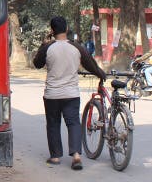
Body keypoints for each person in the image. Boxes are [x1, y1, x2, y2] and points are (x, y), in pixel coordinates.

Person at [33, 16, 106, 170]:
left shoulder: (48, 48)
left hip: (52, 94)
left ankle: (55, 157)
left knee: (53, 124)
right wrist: (101, 74)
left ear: (52, 31)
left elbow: (37, 64)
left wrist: (43, 44)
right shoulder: (77, 48)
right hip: (71, 94)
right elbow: (91, 64)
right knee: (73, 123)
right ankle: (76, 156)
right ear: (66, 29)